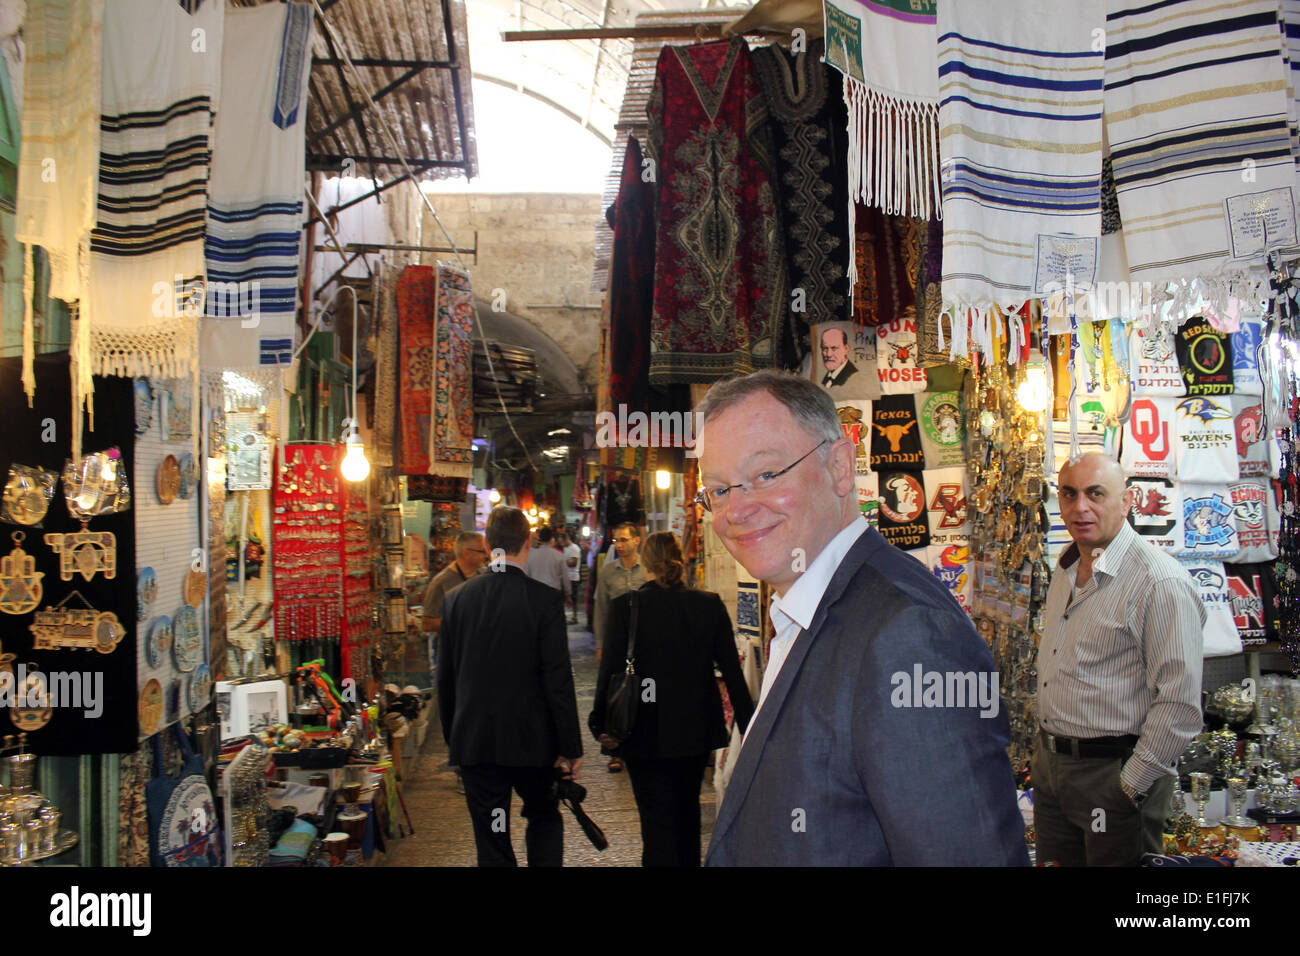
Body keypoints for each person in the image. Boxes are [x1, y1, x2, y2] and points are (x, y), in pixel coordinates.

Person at [695, 369, 1028, 866]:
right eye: (719, 490)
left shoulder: (909, 634)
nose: (737, 510)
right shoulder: (808, 611)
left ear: (840, 468)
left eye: (765, 475)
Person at [1033, 453, 1204, 866]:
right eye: (1069, 495)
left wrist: (1131, 785)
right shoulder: (1066, 569)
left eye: (1096, 494)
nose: (1080, 507)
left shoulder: (1158, 581)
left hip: (1113, 774)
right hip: (1053, 770)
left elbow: (1179, 702)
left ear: (1127, 500)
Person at [589, 531, 754, 867]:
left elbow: (609, 675)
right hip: (692, 734)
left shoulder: (627, 607)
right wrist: (752, 727)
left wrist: (600, 724)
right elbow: (733, 675)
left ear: (646, 562)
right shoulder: (708, 605)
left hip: (641, 732)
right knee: (686, 815)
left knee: (655, 822)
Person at [436, 506, 583, 866]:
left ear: (488, 545)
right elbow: (557, 680)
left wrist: (455, 739)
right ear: (528, 543)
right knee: (544, 818)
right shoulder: (544, 602)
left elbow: (447, 679)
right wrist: (570, 745)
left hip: (477, 742)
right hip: (535, 743)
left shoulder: (457, 600)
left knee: (492, 835)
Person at [592, 521, 647, 772]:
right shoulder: (608, 571)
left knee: (642, 691)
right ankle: (615, 751)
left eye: (624, 540)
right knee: (616, 692)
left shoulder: (646, 570)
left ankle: (640, 742)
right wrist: (601, 642)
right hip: (617, 642)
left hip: (643, 640)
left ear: (637, 541)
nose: (620, 545)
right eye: (617, 541)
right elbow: (601, 608)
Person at [420, 531, 488, 635]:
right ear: (467, 553)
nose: (486, 555)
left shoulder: (485, 575)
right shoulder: (441, 582)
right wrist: (463, 623)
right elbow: (427, 624)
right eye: (482, 551)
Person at [524, 525, 568, 594]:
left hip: (535, 591)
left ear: (540, 538)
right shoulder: (559, 555)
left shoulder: (531, 555)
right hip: (553, 591)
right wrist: (568, 593)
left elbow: (526, 574)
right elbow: (565, 576)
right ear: (551, 538)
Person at [559, 531, 582, 624]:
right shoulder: (565, 548)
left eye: (562, 542)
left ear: (566, 539)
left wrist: (562, 563)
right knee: (565, 598)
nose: (561, 544)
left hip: (573, 577)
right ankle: (566, 616)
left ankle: (574, 617)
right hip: (565, 576)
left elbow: (573, 563)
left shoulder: (575, 548)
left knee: (573, 598)